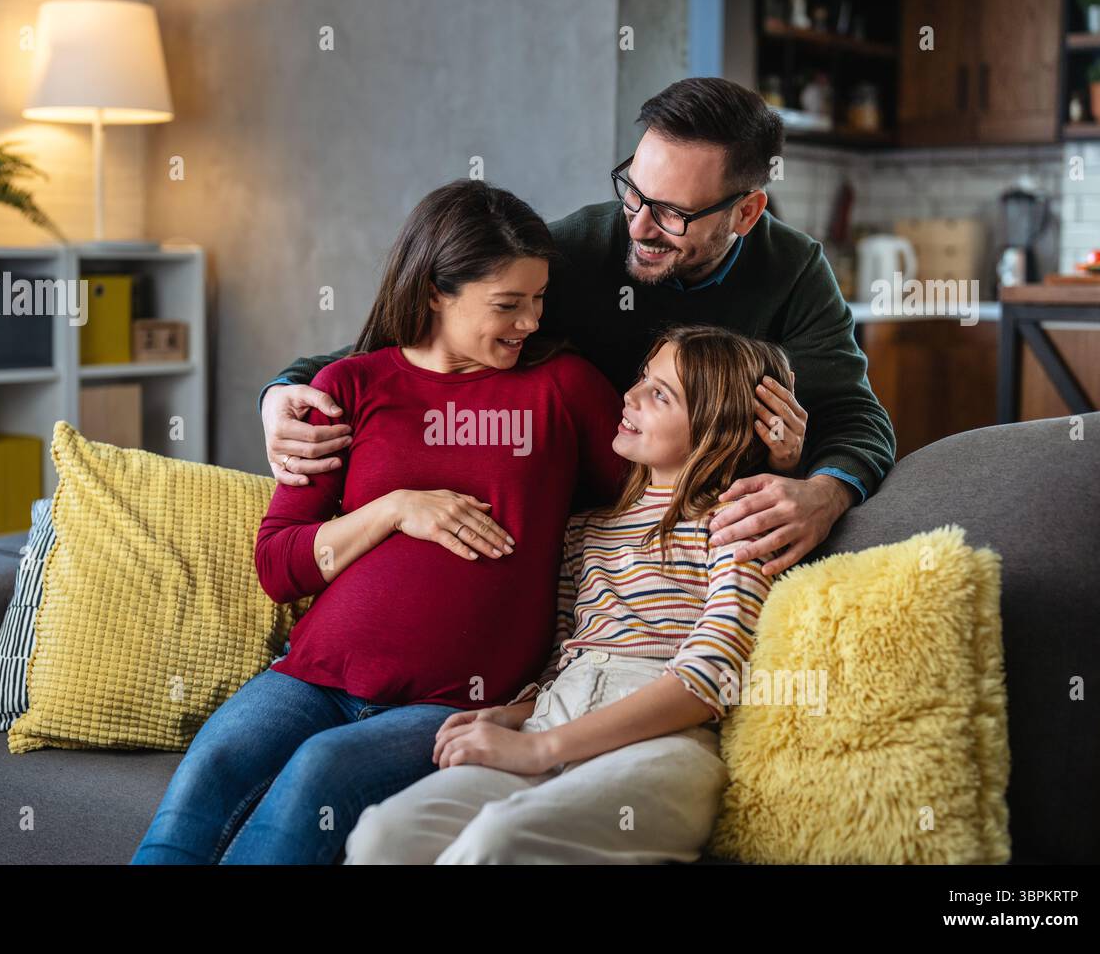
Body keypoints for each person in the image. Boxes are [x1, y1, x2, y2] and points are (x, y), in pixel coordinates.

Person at [132, 179, 723, 865]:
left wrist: (777, 461)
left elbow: (669, 480)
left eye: (538, 300)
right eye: (508, 304)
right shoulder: (348, 388)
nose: (530, 322)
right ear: (437, 291)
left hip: (453, 699)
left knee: (318, 774)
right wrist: (394, 509)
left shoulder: (563, 388)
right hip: (311, 678)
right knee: (210, 770)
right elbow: (279, 565)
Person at [259, 76, 892, 577]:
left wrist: (826, 491)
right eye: (633, 192)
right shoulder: (578, 250)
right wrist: (282, 394)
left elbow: (854, 416)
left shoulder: (797, 271)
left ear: (747, 212)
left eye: (672, 214)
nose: (639, 227)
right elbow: (412, 338)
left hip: (701, 541)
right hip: (578, 541)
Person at [342, 325, 788, 864]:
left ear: (716, 429)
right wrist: (514, 715)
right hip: (557, 713)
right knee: (382, 835)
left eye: (660, 394)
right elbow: (564, 657)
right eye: (643, 380)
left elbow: (711, 675)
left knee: (501, 841)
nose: (630, 397)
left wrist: (536, 748)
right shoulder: (586, 530)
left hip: (660, 741)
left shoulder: (737, 525)